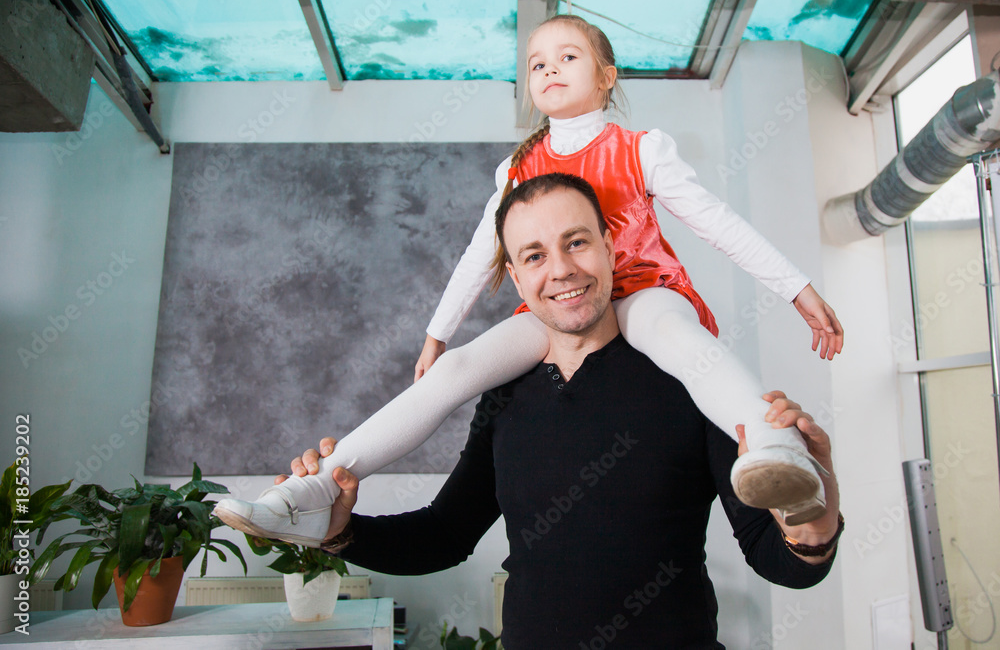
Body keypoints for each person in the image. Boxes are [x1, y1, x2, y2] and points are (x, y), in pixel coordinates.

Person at [215, 14, 844, 547]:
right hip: (555, 314)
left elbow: (717, 221)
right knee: (456, 373)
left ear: (606, 76)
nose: (547, 69)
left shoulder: (641, 148)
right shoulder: (517, 167)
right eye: (536, 62)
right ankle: (318, 488)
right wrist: (438, 335)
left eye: (567, 56)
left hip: (643, 288)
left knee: (682, 342)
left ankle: (773, 446)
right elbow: (477, 253)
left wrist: (797, 288)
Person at [280, 173, 843, 649]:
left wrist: (815, 520)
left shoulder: (688, 378)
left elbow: (779, 561)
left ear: (610, 246)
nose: (562, 269)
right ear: (517, 278)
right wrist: (340, 532)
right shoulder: (504, 395)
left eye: (577, 243)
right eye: (534, 255)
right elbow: (445, 535)